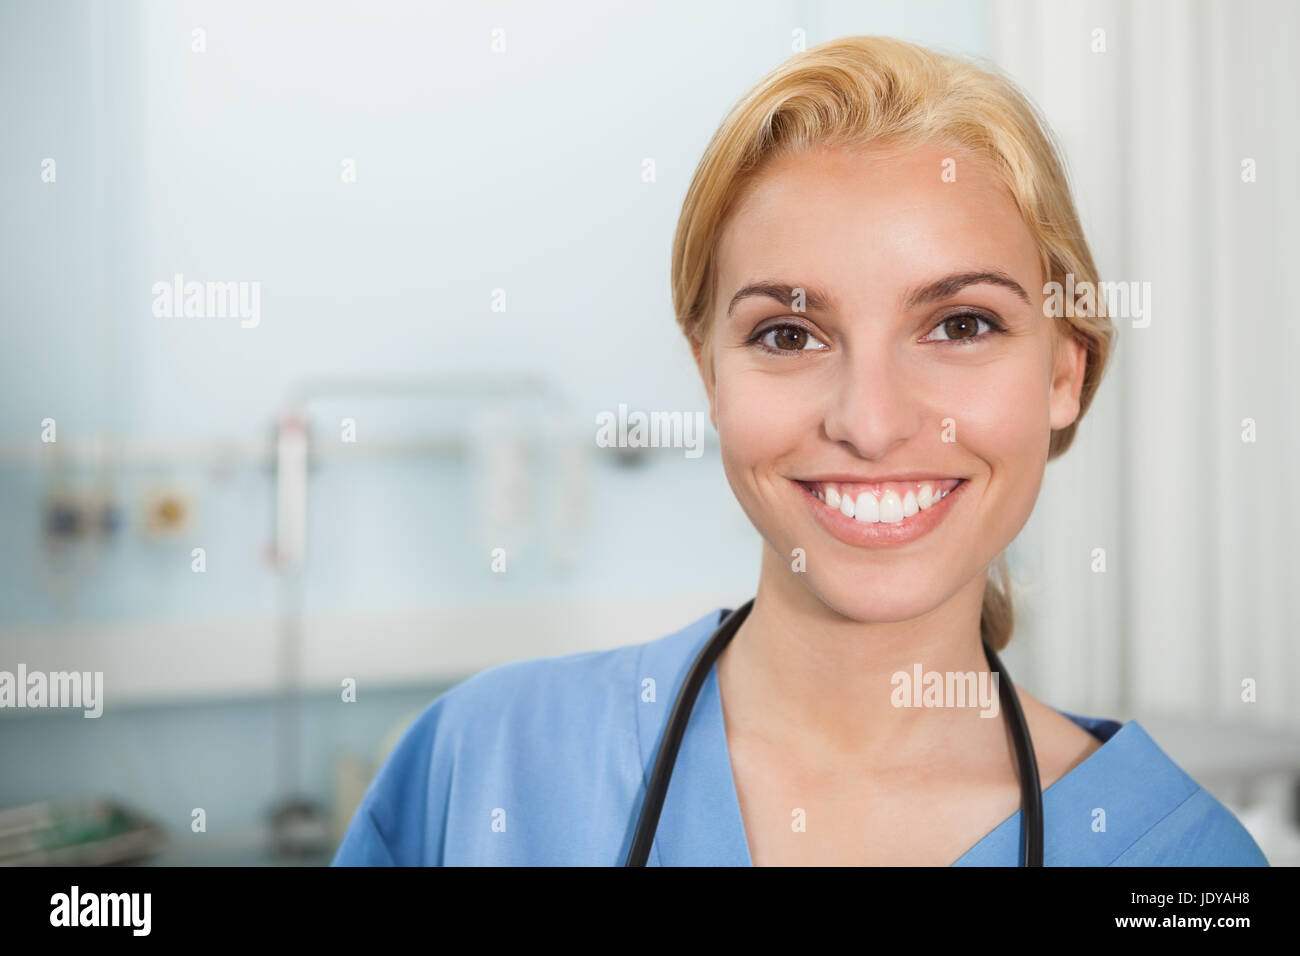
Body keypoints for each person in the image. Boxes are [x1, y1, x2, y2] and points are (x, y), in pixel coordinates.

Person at [333, 35, 1268, 866]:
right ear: (710, 376)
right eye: (788, 335)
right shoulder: (487, 765)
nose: (869, 421)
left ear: (1065, 373)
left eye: (961, 324)